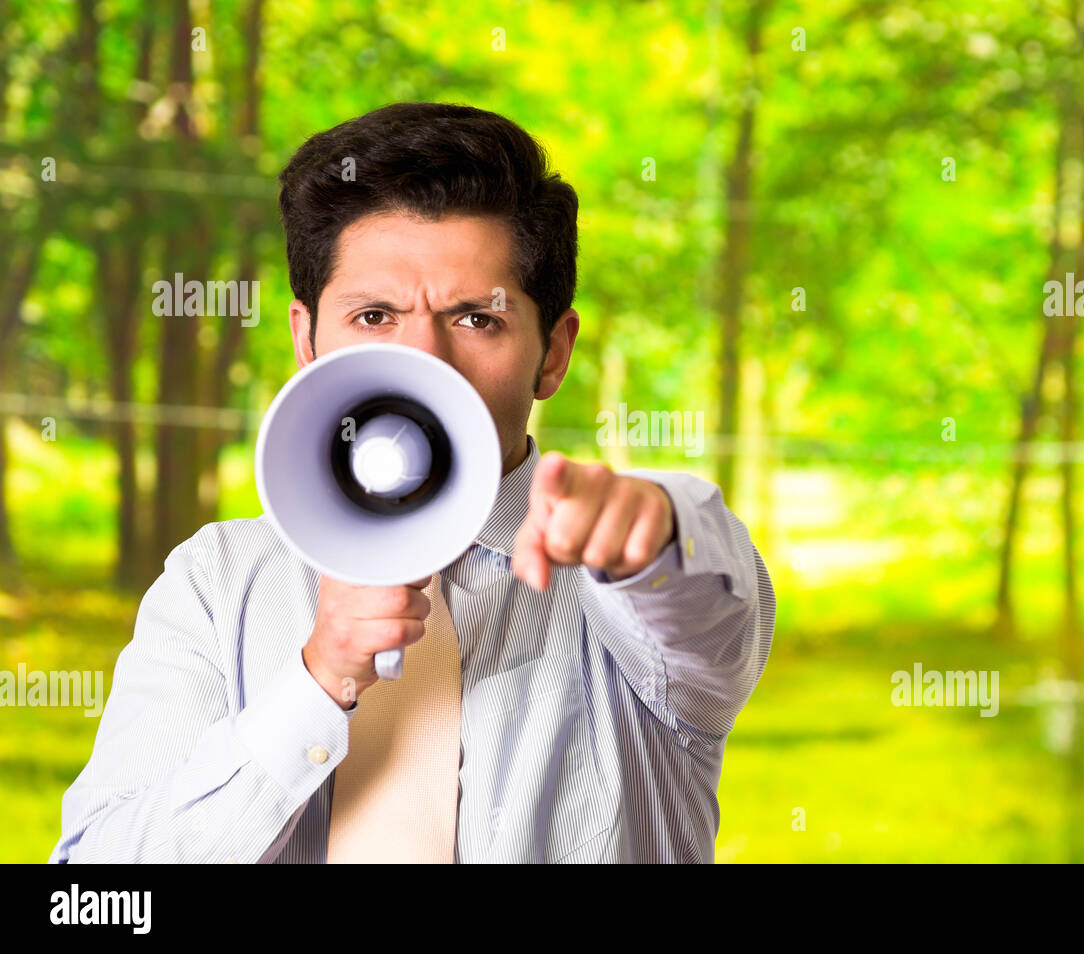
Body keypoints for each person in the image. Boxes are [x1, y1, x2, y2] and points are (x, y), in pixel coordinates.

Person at [49, 102, 776, 863]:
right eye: (373, 315)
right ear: (306, 339)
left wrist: (654, 532)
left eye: (476, 319)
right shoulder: (216, 585)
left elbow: (706, 605)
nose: (423, 362)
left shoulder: (624, 578)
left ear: (553, 352)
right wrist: (313, 685)